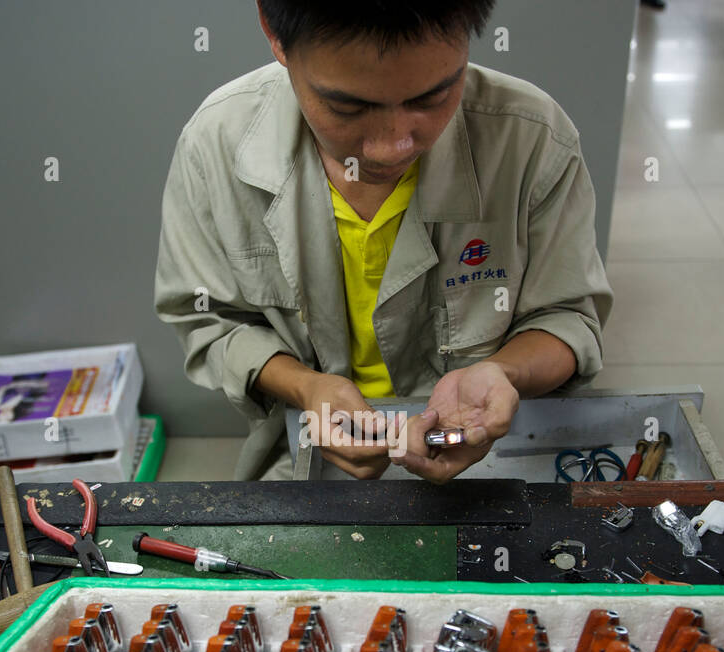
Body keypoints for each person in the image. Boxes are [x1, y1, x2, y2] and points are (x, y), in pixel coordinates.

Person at [155, 1, 612, 482]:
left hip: (488, 452)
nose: (392, 145)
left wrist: (504, 372)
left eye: (432, 98)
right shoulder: (216, 144)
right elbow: (206, 319)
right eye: (348, 107)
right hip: (307, 446)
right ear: (274, 32)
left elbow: (568, 319)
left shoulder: (532, 141)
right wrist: (306, 387)